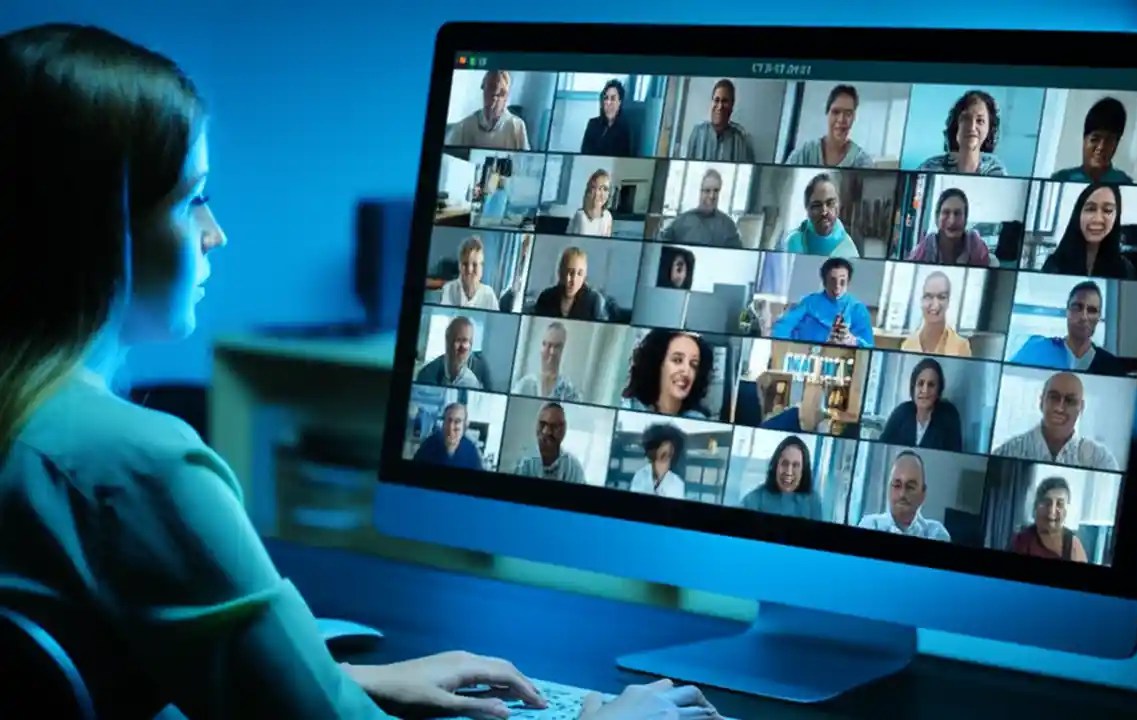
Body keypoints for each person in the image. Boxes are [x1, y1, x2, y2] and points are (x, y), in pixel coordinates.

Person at [0, 23, 719, 719]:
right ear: (95, 227)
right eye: (194, 200)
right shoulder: (138, 465)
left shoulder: (29, 432)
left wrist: (335, 681)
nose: (218, 233)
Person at [1041, 182, 1135, 279]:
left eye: (1107, 210)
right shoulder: (1054, 265)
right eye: (1090, 209)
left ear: (1116, 218)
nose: (1097, 219)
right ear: (1078, 214)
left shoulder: (1125, 269)